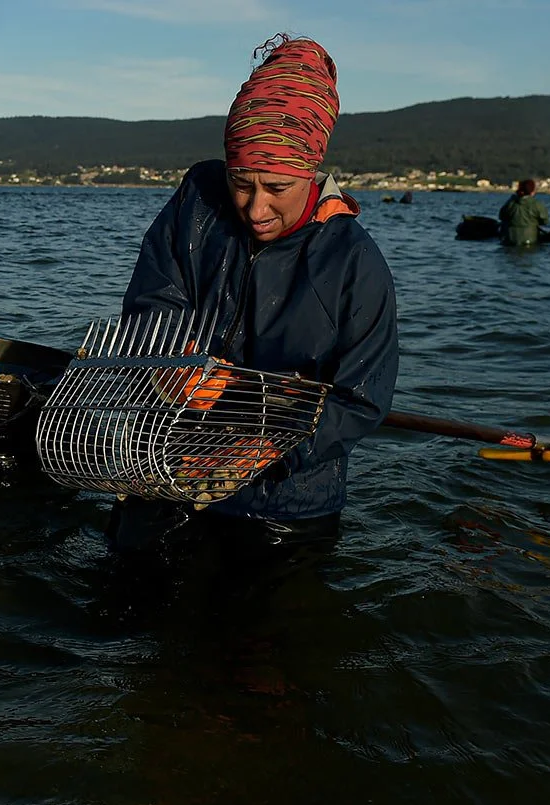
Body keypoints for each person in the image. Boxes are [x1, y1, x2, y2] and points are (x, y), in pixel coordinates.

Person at [112, 33, 399, 555]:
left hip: (286, 501)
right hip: (166, 465)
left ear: (311, 174)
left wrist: (268, 447)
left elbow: (361, 398)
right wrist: (169, 365)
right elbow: (154, 301)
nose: (256, 208)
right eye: (242, 183)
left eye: (277, 188)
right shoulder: (197, 203)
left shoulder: (354, 262)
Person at [498, 179, 549, 247]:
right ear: (532, 191)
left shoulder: (510, 203)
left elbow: (501, 216)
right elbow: (545, 221)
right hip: (531, 240)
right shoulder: (537, 204)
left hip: (510, 240)